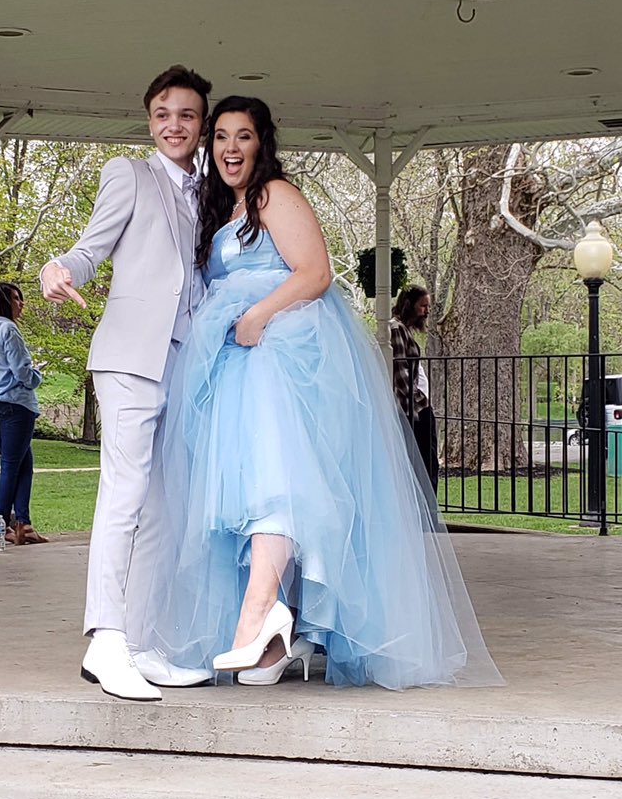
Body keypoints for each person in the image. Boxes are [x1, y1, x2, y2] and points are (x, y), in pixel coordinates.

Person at [138, 96, 504, 691]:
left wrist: (258, 316)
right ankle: (275, 632)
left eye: (244, 137)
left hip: (279, 352)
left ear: (263, 143)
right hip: (229, 359)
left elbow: (315, 272)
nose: (232, 148)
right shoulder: (217, 209)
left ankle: (258, 618)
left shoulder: (274, 195)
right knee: (242, 493)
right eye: (222, 137)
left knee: (276, 481)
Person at [41, 65, 214, 702]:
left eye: (188, 115)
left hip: (188, 362)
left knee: (168, 508)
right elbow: (92, 247)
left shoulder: (214, 189)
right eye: (164, 113)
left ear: (201, 124)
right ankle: (105, 639)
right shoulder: (129, 175)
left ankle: (141, 643)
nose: (175, 125)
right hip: (130, 357)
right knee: (126, 494)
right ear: (150, 120)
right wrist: (57, 269)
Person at [0, 281, 48, 547]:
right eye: (17, 299)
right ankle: (4, 525)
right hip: (16, 405)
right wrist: (37, 376)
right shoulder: (9, 329)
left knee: (24, 463)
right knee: (11, 465)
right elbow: (22, 373)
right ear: (4, 302)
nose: (21, 304)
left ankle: (24, 523)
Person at [390, 285, 439, 493]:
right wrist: (418, 407)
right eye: (422, 306)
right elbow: (400, 373)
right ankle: (427, 510)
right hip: (413, 409)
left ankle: (429, 508)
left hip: (415, 406)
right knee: (425, 463)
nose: (426, 311)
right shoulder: (396, 329)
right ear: (409, 305)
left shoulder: (404, 329)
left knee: (428, 462)